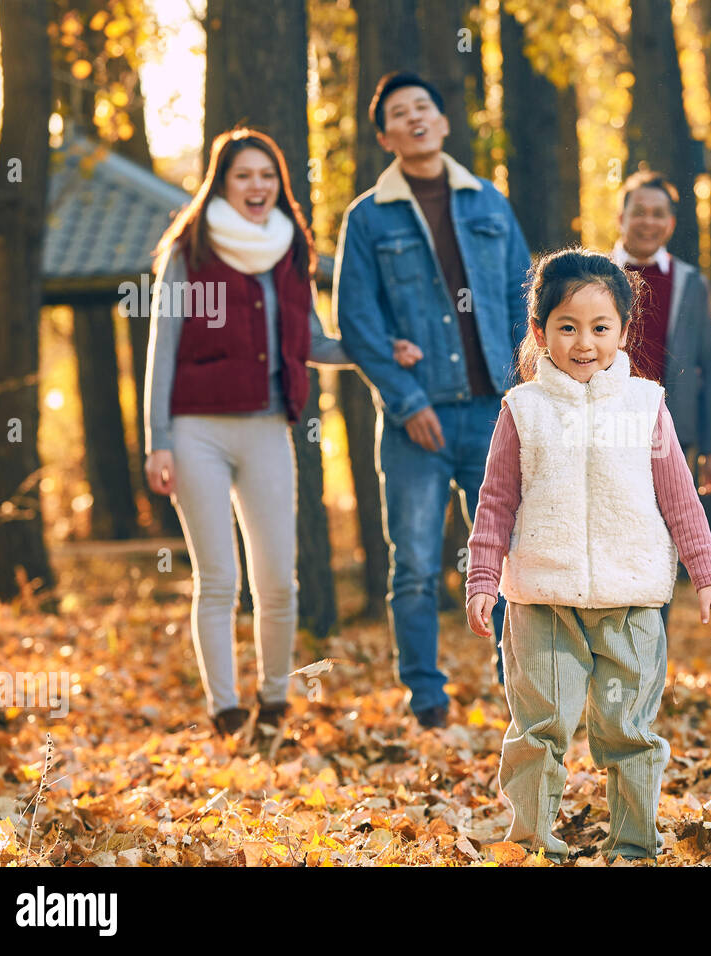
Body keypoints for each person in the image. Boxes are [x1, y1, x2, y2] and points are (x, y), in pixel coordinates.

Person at [465, 249, 711, 862]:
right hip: (542, 602)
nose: (583, 342)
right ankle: (533, 841)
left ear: (623, 330)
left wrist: (708, 578)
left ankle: (634, 844)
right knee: (539, 729)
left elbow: (681, 500)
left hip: (631, 602)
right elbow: (496, 503)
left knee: (629, 733)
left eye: (600, 327)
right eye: (567, 327)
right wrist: (483, 578)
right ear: (540, 332)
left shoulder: (645, 406)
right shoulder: (523, 411)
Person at [144, 128, 365, 737]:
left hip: (269, 427)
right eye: (244, 175)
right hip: (195, 433)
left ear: (279, 185)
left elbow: (313, 342)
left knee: (277, 580)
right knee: (218, 578)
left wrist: (374, 350)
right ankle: (223, 708)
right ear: (222, 183)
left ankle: (273, 703)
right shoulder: (190, 250)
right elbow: (162, 349)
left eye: (267, 175)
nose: (257, 186)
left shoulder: (293, 252)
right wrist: (157, 440)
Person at [333, 72, 532, 729]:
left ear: (443, 123)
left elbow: (522, 300)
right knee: (415, 564)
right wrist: (407, 398)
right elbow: (357, 322)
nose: (415, 118)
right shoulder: (367, 218)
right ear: (386, 136)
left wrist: (519, 391)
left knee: (506, 562)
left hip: (492, 414)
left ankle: (517, 695)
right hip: (413, 422)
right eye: (399, 113)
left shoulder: (488, 205)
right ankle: (427, 701)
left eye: (425, 107)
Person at [611, 170, 711, 635]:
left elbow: (710, 370)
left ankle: (647, 657)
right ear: (621, 216)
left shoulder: (690, 284)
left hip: (668, 438)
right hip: (603, 431)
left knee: (657, 548)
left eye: (658, 214)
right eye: (638, 211)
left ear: (671, 223)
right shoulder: (594, 273)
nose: (647, 222)